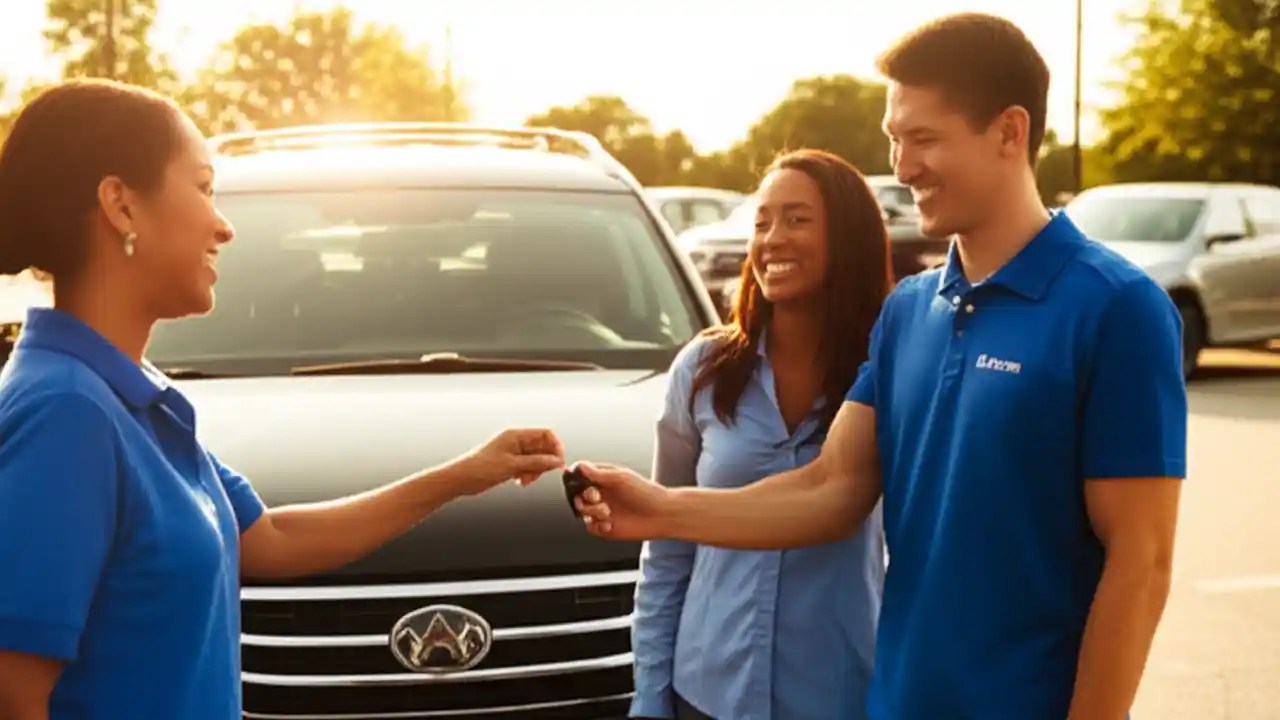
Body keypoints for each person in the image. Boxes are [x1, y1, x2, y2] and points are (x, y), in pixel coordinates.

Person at [574, 13, 1185, 720]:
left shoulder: (1118, 309)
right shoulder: (907, 314)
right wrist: (659, 508)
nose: (901, 167)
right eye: (896, 140)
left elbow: (1141, 564)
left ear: (1010, 133)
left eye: (924, 138)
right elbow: (830, 488)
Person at [0, 79, 565, 720]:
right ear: (122, 207)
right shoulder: (67, 414)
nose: (224, 226)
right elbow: (13, 692)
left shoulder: (123, 396)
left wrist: (464, 475)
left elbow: (271, 538)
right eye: (205, 188)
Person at [630, 149, 891, 720]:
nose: (772, 238)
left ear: (847, 238)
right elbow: (666, 549)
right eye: (762, 222)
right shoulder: (703, 370)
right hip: (705, 693)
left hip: (841, 694)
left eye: (797, 219)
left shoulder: (888, 373)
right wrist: (650, 696)